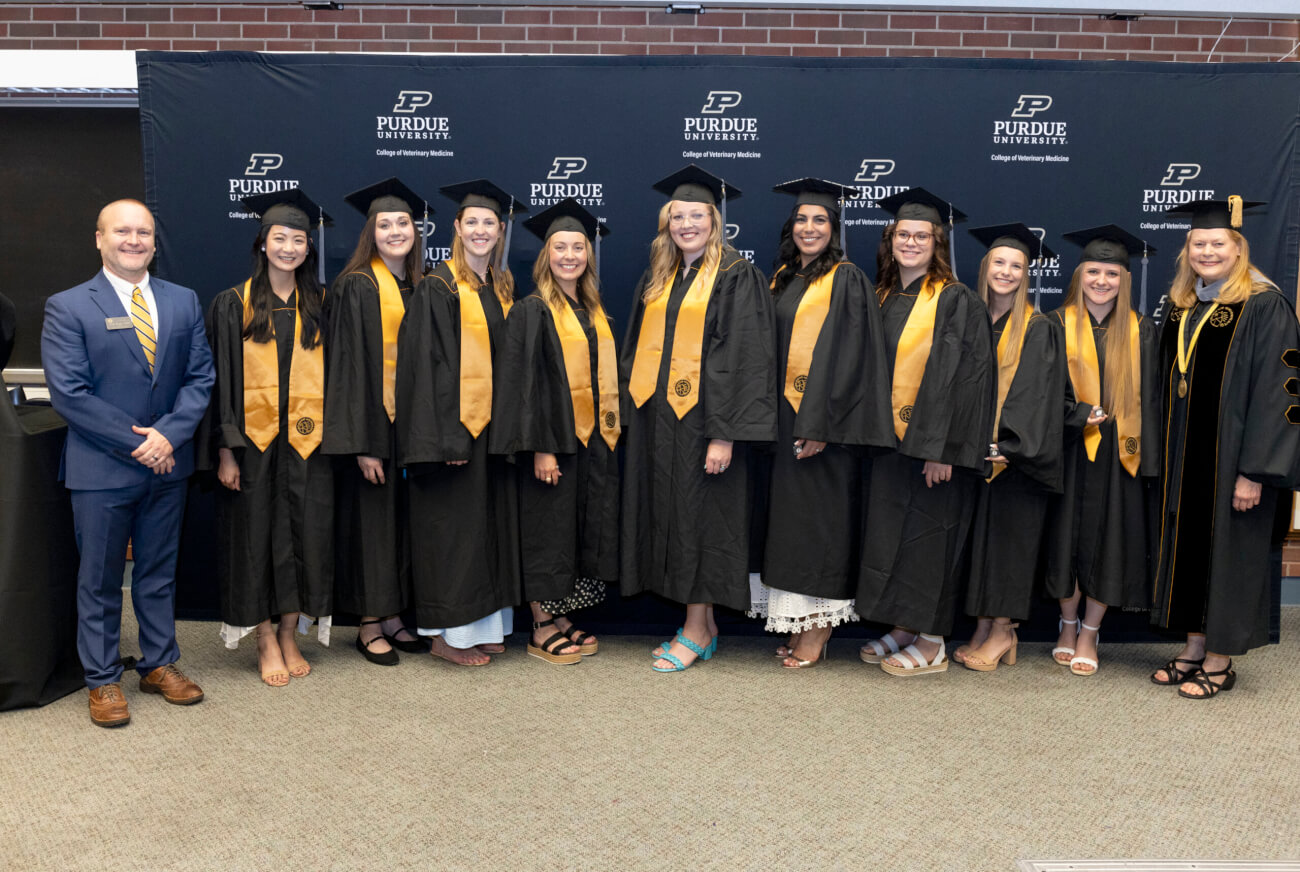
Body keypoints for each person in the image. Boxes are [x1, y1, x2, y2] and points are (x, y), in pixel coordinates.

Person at [41, 199, 214, 727]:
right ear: (99, 239)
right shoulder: (68, 306)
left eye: (143, 232)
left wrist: (169, 436)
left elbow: (200, 377)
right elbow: (69, 393)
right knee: (99, 578)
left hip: (168, 467)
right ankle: (103, 679)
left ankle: (160, 663)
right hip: (102, 470)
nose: (133, 240)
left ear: (155, 243)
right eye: (122, 231)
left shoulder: (182, 301)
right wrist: (141, 442)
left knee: (158, 573)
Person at [622, 164, 776, 673]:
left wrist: (724, 434)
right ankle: (703, 626)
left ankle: (692, 629)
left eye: (697, 215)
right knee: (676, 517)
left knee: (700, 519)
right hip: (658, 420)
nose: (687, 224)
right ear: (667, 224)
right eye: (677, 216)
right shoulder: (661, 275)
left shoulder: (736, 275)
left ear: (716, 219)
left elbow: (745, 359)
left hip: (705, 424)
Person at [1150, 197, 1300, 699]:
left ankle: (1219, 660)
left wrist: (1254, 471)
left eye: (1218, 243)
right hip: (1186, 461)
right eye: (1199, 244)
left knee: (1228, 556)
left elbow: (1280, 392)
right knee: (1192, 552)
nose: (1207, 251)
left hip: (1236, 464)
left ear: (1238, 249)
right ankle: (1194, 647)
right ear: (1187, 250)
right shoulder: (1183, 303)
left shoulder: (1263, 304)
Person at [747, 178, 892, 668]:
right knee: (792, 525)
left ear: (835, 228)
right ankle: (798, 621)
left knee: (820, 523)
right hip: (783, 421)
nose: (810, 228)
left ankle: (820, 629)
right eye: (803, 220)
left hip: (822, 424)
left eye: (821, 220)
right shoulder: (783, 277)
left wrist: (822, 425)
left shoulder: (846, 278)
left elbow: (850, 359)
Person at [854, 187, 994, 677]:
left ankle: (932, 640)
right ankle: (904, 625)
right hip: (889, 444)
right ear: (890, 240)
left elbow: (964, 382)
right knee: (893, 535)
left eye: (922, 236)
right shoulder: (882, 294)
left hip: (933, 448)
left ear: (938, 244)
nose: (910, 242)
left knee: (930, 539)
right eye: (903, 234)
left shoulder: (956, 300)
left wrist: (944, 451)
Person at [200, 189, 333, 686]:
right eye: (280, 238)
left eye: (298, 240)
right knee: (254, 537)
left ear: (308, 249)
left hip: (307, 446)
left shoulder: (320, 304)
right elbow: (221, 384)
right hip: (253, 449)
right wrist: (227, 450)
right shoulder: (232, 305)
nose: (289, 248)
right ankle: (262, 636)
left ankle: (290, 631)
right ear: (262, 243)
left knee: (305, 536)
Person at [397, 179, 525, 667]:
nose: (479, 230)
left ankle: (484, 626)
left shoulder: (500, 286)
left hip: (492, 433)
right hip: (455, 434)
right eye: (471, 222)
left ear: (500, 230)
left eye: (488, 223)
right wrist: (447, 435)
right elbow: (426, 368)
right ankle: (445, 634)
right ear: (456, 227)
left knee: (487, 528)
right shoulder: (437, 285)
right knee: (451, 532)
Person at [490, 198, 621, 665]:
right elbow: (525, 386)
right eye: (560, 247)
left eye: (578, 247)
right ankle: (541, 622)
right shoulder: (532, 309)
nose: (570, 256)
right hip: (551, 446)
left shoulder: (592, 310)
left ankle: (562, 613)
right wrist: (542, 448)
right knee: (546, 531)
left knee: (572, 529)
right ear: (546, 255)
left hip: (588, 443)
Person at [1044, 225, 1159, 676]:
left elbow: (1152, 399)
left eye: (1112, 273)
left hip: (1118, 455)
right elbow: (1039, 394)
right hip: (1069, 449)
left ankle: (1091, 632)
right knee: (1064, 539)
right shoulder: (1054, 325)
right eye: (1093, 271)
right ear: (1079, 274)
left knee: (1109, 543)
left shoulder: (1142, 330)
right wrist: (1075, 417)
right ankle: (1067, 624)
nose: (1102, 281)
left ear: (1124, 279)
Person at [323, 178, 426, 666]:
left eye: (401, 223)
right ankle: (368, 621)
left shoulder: (422, 285)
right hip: (373, 425)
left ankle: (393, 615)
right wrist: (363, 442)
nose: (394, 231)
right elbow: (345, 369)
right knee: (372, 523)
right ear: (371, 233)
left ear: (415, 229)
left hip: (413, 428)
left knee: (403, 521)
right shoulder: (355, 286)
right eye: (384, 224)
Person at [956, 224, 1065, 671]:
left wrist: (1011, 445)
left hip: (1013, 460)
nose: (1006, 271)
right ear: (985, 267)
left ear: (1026, 275)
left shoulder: (1037, 328)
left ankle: (1003, 630)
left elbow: (1040, 394)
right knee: (982, 543)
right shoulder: (969, 316)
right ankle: (984, 625)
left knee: (1009, 544)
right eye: (999, 262)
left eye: (1016, 265)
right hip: (971, 455)